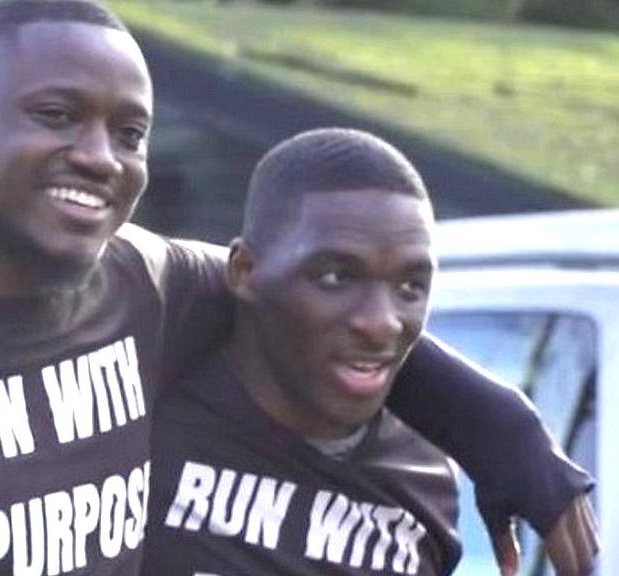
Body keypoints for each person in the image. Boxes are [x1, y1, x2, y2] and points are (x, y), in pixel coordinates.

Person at [0, 1, 596, 575]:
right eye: (57, 115)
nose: (99, 156)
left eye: (132, 132)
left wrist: (505, 436)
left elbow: (332, 312)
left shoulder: (148, 287)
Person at [144, 128, 458, 575]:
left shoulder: (422, 478)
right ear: (246, 271)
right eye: (336, 278)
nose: (382, 322)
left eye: (410, 287)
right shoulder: (149, 432)